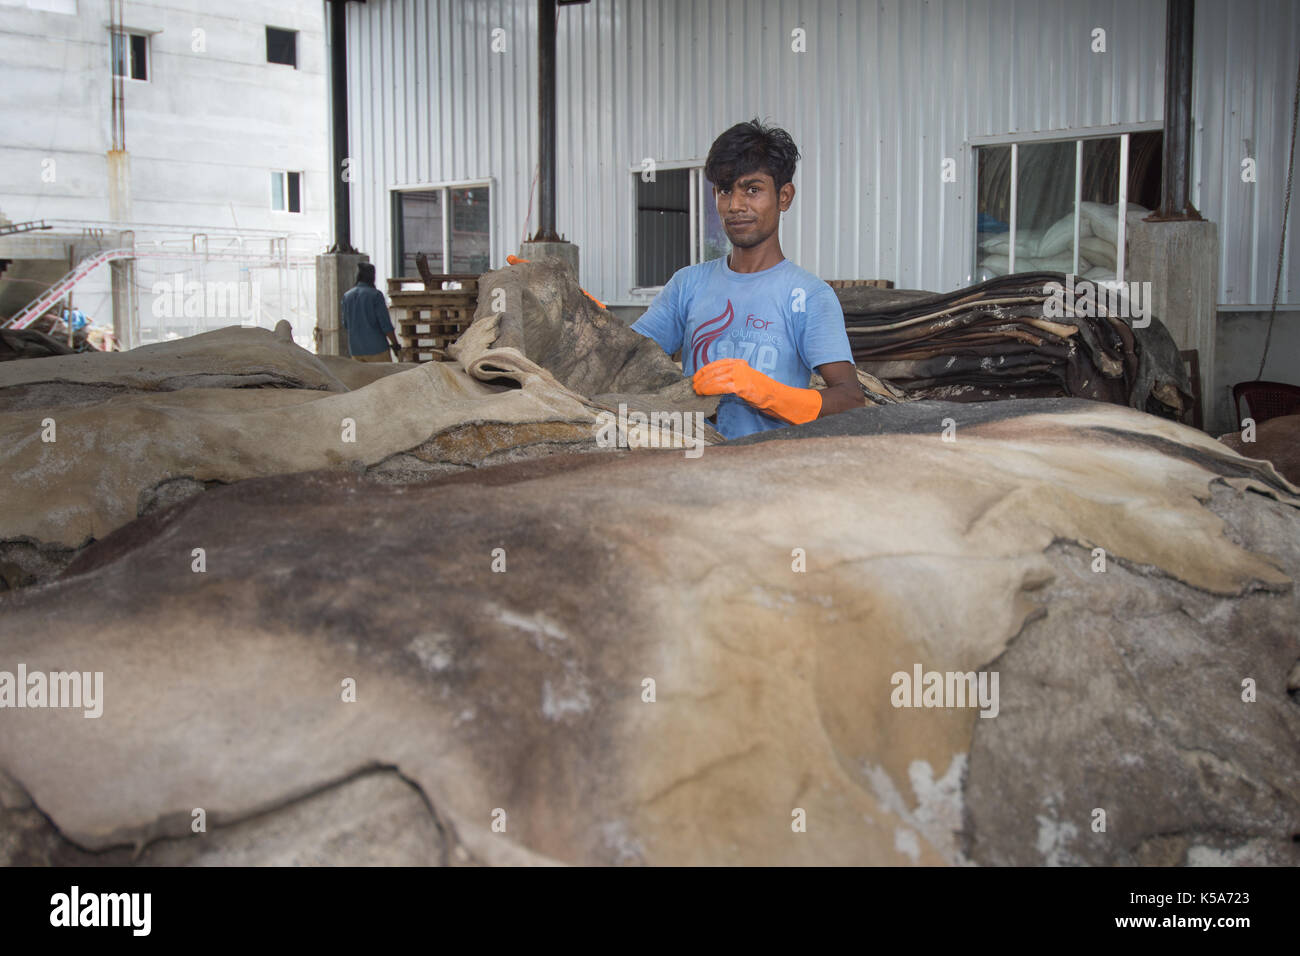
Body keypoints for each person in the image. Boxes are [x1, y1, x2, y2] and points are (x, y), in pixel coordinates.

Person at [631, 119, 864, 439]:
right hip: (688, 462)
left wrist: (766, 392)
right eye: (726, 191)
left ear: (784, 196)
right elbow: (628, 359)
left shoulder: (808, 295)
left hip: (768, 470)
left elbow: (850, 399)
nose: (736, 205)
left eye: (752, 190)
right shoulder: (687, 285)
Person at [342, 262, 401, 362]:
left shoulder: (347, 296)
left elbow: (346, 324)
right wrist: (395, 344)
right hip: (377, 350)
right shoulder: (376, 295)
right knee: (385, 378)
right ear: (372, 277)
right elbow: (386, 326)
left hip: (356, 351)